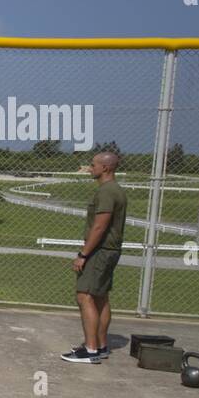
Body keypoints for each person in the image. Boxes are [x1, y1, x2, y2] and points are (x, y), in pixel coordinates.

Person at [62, 150, 127, 363]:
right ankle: (101, 346)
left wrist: (83, 254)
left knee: (85, 296)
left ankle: (90, 351)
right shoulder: (116, 190)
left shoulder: (107, 192)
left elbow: (100, 226)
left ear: (105, 168)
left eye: (93, 165)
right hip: (110, 251)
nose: (91, 168)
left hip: (100, 251)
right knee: (100, 297)